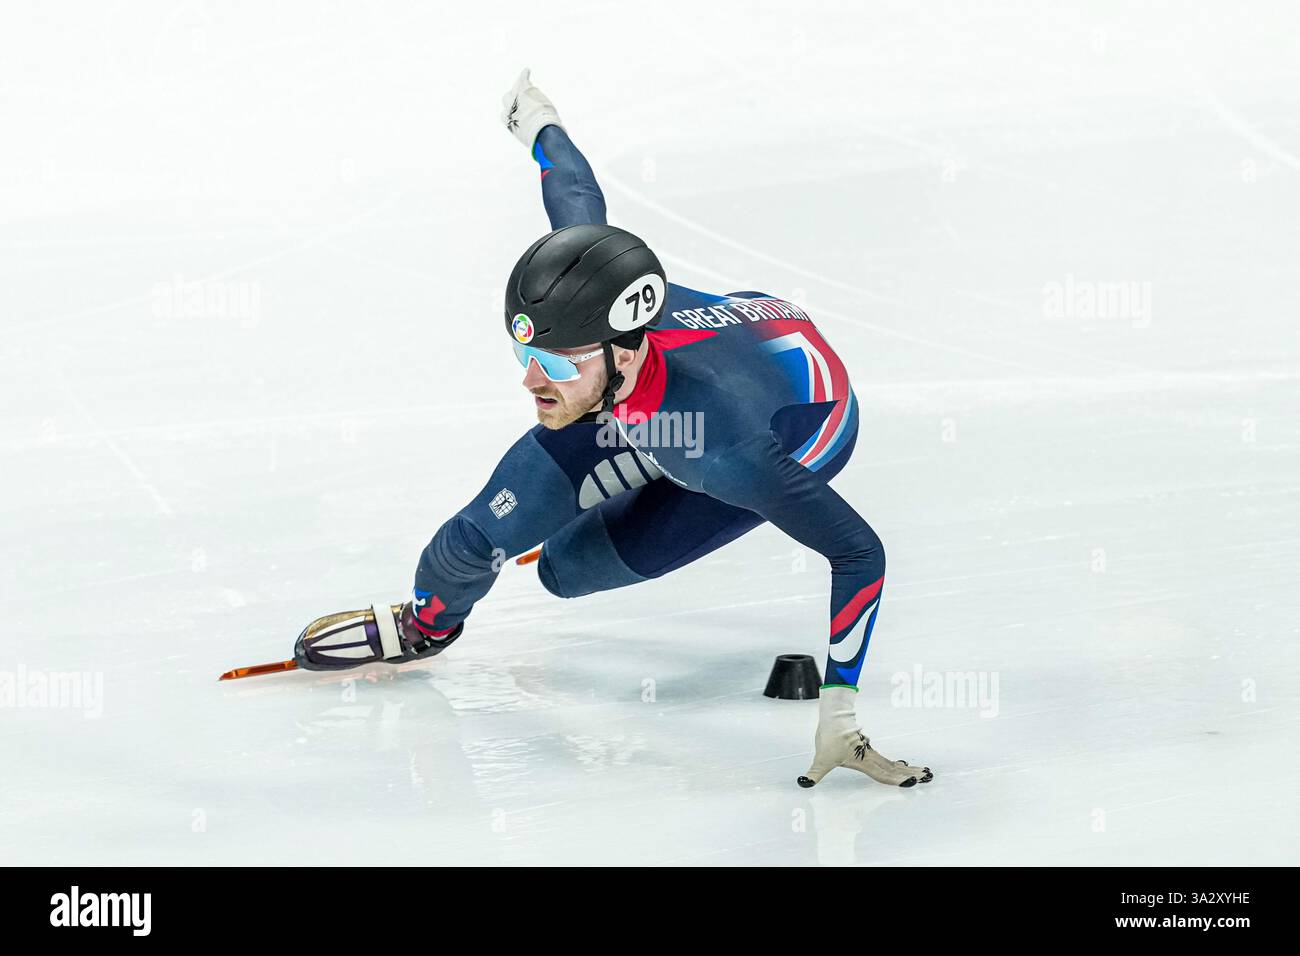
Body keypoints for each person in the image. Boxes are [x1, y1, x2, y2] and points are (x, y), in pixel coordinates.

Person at [292, 70, 932, 789]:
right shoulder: (594, 314)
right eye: (524, 355)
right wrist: (538, 121)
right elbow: (572, 193)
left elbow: (859, 553)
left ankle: (612, 496)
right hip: (696, 364)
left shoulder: (722, 451)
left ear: (620, 349)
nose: (530, 382)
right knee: (473, 541)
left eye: (553, 364)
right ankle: (428, 628)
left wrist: (839, 712)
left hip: (798, 420)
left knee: (566, 572)